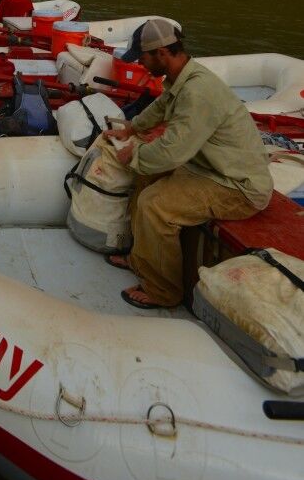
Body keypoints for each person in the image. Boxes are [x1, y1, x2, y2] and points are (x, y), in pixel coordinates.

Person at [103, 18, 272, 310]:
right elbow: (161, 106)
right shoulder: (183, 77)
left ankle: (164, 291)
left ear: (162, 54)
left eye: (142, 58)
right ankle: (141, 259)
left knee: (155, 204)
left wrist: (134, 155)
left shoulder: (198, 91)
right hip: (210, 168)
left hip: (238, 185)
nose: (140, 64)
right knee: (145, 177)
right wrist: (132, 128)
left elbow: (173, 152)